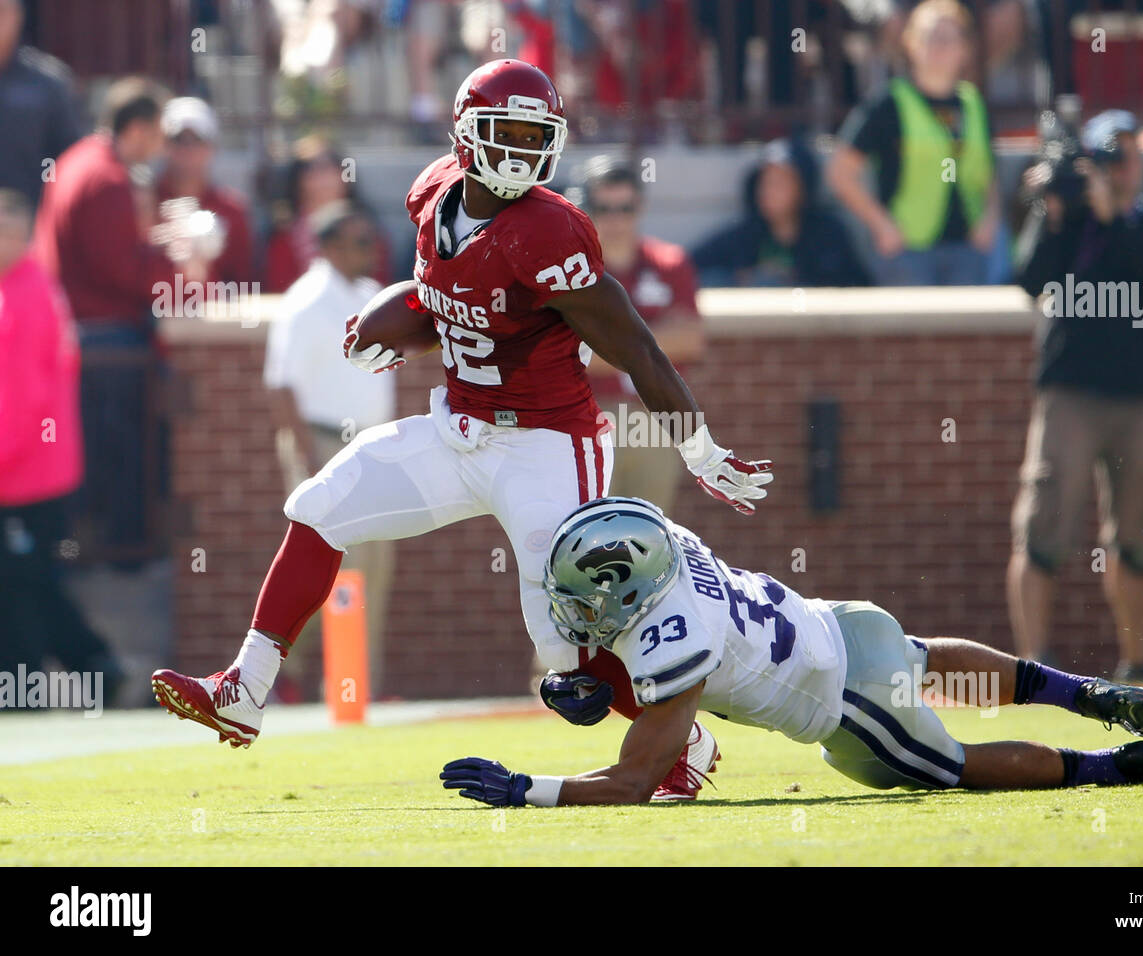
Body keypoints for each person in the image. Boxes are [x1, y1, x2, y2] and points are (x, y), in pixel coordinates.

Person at [152, 59, 772, 802]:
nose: (517, 151)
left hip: (547, 443)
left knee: (565, 663)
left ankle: (688, 743)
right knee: (319, 507)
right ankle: (243, 690)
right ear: (464, 133)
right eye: (502, 132)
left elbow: (634, 343)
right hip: (459, 427)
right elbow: (447, 299)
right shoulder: (432, 193)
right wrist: (397, 321)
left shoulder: (550, 230)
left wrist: (698, 449)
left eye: (532, 136)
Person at [439, 497, 1143, 807]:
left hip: (845, 702)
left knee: (952, 767)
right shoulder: (663, 536)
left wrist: (524, 787)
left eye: (592, 598)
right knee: (927, 661)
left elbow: (635, 781)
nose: (582, 613)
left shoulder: (674, 639)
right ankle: (1081, 692)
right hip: (843, 622)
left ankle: (1104, 769)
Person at [1008, 108, 1143, 682]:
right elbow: (1030, 277)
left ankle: (1139, 660)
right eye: (1111, 157)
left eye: (1130, 156)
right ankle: (1036, 660)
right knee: (1044, 523)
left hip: (1137, 398)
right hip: (1070, 395)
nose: (1122, 168)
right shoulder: (1065, 218)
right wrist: (1054, 211)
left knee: (1139, 532)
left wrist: (1112, 217)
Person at [31, 77, 203, 564]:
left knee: (104, 450)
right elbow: (122, 268)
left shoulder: (80, 161)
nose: (162, 147)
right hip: (105, 339)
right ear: (140, 128)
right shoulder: (103, 177)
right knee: (124, 452)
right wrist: (182, 275)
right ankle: (124, 554)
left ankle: (96, 551)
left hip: (88, 332)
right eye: (159, 132)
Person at [263, 201, 395, 700]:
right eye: (361, 242)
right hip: (321, 442)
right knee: (332, 567)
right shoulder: (305, 301)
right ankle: (292, 677)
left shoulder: (368, 294)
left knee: (374, 565)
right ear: (331, 246)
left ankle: (357, 683)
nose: (371, 251)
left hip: (369, 446)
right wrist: (311, 462)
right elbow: (280, 389)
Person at [0, 188, 122, 702]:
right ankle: (96, 667)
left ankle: (26, 692)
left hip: (28, 475)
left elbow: (20, 401)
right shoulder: (21, 287)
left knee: (23, 589)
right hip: (27, 471)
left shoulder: (24, 296)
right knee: (27, 582)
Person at [827, 0, 998, 286]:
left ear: (965, 49)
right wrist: (882, 227)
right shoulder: (889, 103)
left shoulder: (973, 103)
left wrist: (990, 219)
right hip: (908, 253)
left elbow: (987, 173)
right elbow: (840, 172)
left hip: (967, 250)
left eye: (949, 38)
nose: (939, 47)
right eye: (931, 37)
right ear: (910, 44)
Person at [573, 156, 703, 511]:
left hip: (655, 417)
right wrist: (654, 345)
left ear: (640, 207)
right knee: (589, 531)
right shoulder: (574, 271)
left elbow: (691, 339)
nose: (615, 219)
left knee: (651, 534)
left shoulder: (670, 263)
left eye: (625, 207)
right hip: (590, 418)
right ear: (587, 209)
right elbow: (576, 355)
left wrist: (612, 345)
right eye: (604, 208)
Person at [691, 137, 871, 288]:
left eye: (780, 184)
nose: (769, 192)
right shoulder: (743, 236)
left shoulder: (828, 235)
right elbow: (690, 268)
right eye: (765, 183)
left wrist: (795, 282)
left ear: (802, 189)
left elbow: (856, 287)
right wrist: (743, 279)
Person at [263, 135, 391, 293]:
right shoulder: (283, 234)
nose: (324, 178)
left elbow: (379, 285)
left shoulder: (367, 230)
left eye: (330, 168)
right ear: (298, 180)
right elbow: (278, 289)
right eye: (312, 170)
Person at [156, 96, 255, 285]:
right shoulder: (145, 202)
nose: (187, 149)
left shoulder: (233, 210)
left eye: (197, 140)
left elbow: (244, 283)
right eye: (178, 140)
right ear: (163, 145)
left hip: (217, 312)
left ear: (211, 147)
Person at [0, 0, 83, 210]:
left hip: (30, 219)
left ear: (18, 17)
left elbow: (65, 155)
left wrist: (49, 191)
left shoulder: (47, 83)